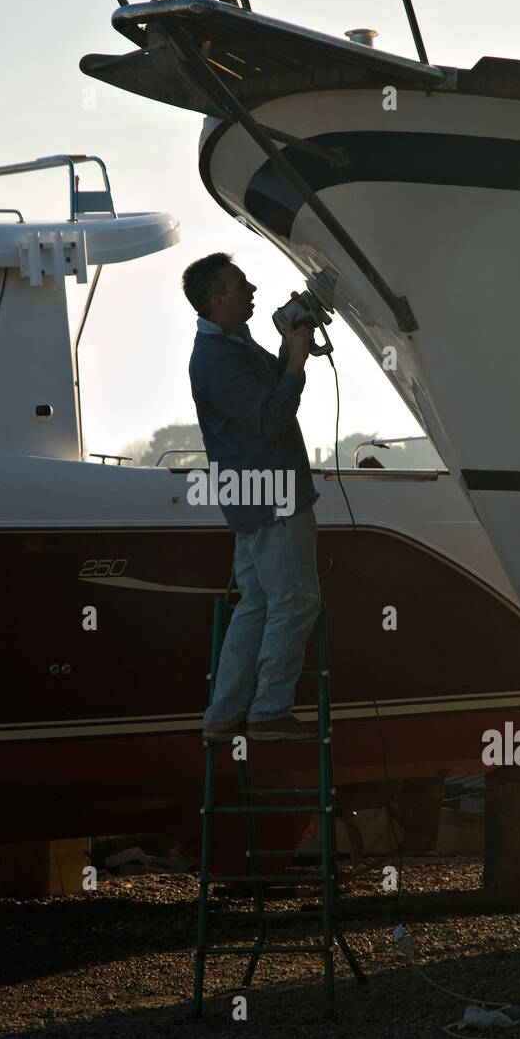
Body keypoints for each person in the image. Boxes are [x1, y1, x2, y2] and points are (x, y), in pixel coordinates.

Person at [184, 252, 321, 743]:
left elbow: (268, 398)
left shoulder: (232, 345)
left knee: (258, 605)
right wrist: (297, 363)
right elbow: (269, 420)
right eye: (241, 285)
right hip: (272, 496)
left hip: (253, 497)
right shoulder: (220, 358)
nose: (252, 290)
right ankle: (268, 713)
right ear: (218, 300)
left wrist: (290, 349)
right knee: (295, 601)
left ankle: (224, 717)